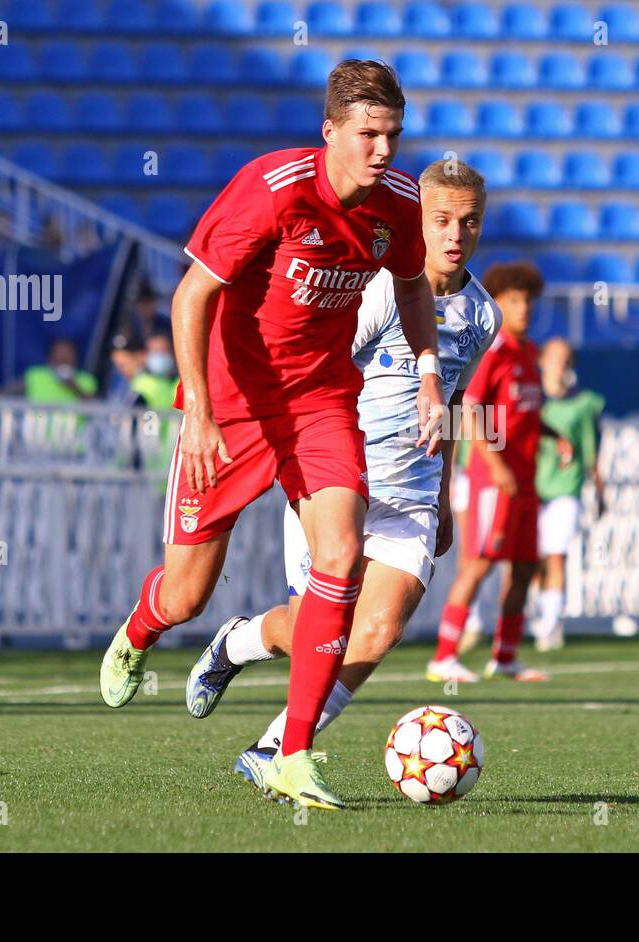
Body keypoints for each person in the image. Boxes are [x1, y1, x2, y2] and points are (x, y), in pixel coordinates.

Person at [96, 60, 445, 812]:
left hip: (319, 401)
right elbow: (193, 294)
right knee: (186, 594)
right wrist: (196, 410)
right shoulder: (274, 187)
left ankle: (291, 755)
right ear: (331, 132)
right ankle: (141, 627)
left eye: (392, 134)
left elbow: (414, 285)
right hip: (231, 405)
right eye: (367, 134)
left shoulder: (401, 203)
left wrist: (424, 369)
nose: (383, 149)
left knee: (342, 558)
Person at [183, 159, 499, 792]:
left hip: (411, 497)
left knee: (378, 629)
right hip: (337, 479)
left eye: (467, 222)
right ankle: (239, 642)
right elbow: (316, 368)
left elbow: (459, 403)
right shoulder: (379, 289)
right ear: (418, 220)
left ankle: (274, 750)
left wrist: (445, 494)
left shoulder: (481, 316)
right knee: (310, 634)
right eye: (439, 220)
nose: (453, 235)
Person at [428, 261, 555, 682]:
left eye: (528, 301)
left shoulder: (530, 352)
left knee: (522, 567)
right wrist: (495, 461)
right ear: (497, 304)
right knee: (479, 565)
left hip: (526, 481)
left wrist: (555, 435)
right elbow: (467, 407)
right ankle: (444, 656)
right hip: (492, 479)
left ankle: (505, 657)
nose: (524, 309)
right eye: (514, 301)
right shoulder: (493, 350)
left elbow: (524, 413)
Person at [530, 337, 604, 651]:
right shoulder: (529, 398)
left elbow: (591, 450)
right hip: (531, 487)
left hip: (565, 488)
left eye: (565, 358)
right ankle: (542, 614)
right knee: (533, 562)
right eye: (554, 357)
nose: (559, 364)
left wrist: (600, 487)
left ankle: (550, 625)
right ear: (543, 360)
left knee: (556, 555)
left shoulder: (585, 403)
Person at [25, 338, 98, 404]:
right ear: (50, 359)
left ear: (76, 360)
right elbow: (15, 396)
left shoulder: (87, 379)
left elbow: (97, 407)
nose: (63, 358)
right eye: (59, 356)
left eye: (67, 357)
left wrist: (74, 387)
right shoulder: (34, 375)